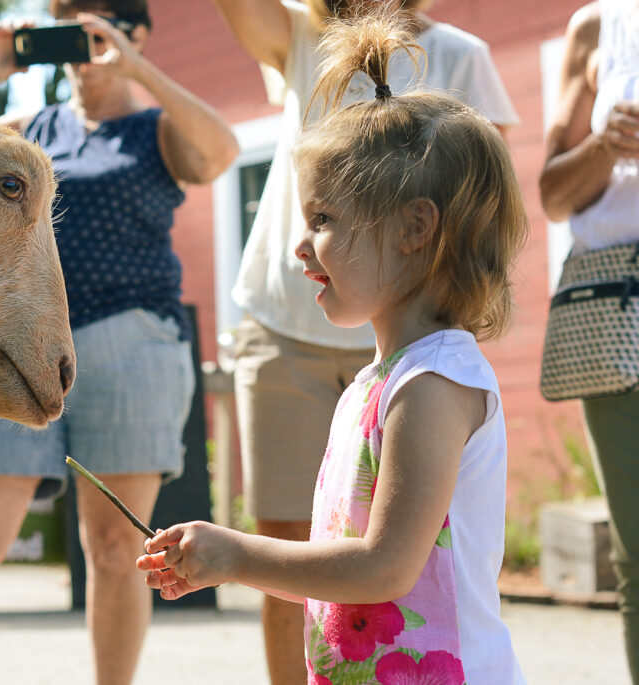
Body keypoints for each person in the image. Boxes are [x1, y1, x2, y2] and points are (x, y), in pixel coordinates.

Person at [137, 11, 528, 683]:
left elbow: (384, 566)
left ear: (414, 226)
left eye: (323, 220)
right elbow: (337, 563)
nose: (298, 246)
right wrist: (216, 559)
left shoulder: (433, 383)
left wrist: (235, 556)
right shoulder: (374, 384)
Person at [0, 3, 238, 684]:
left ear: (133, 32)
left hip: (133, 337)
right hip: (15, 340)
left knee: (116, 546)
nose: (79, 47)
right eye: (67, 28)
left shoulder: (157, 129)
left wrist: (135, 66)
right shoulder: (35, 128)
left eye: (96, 29)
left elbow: (219, 153)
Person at [539, 1, 639, 680]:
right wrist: (606, 144)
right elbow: (550, 193)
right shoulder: (599, 26)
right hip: (616, 305)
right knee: (637, 552)